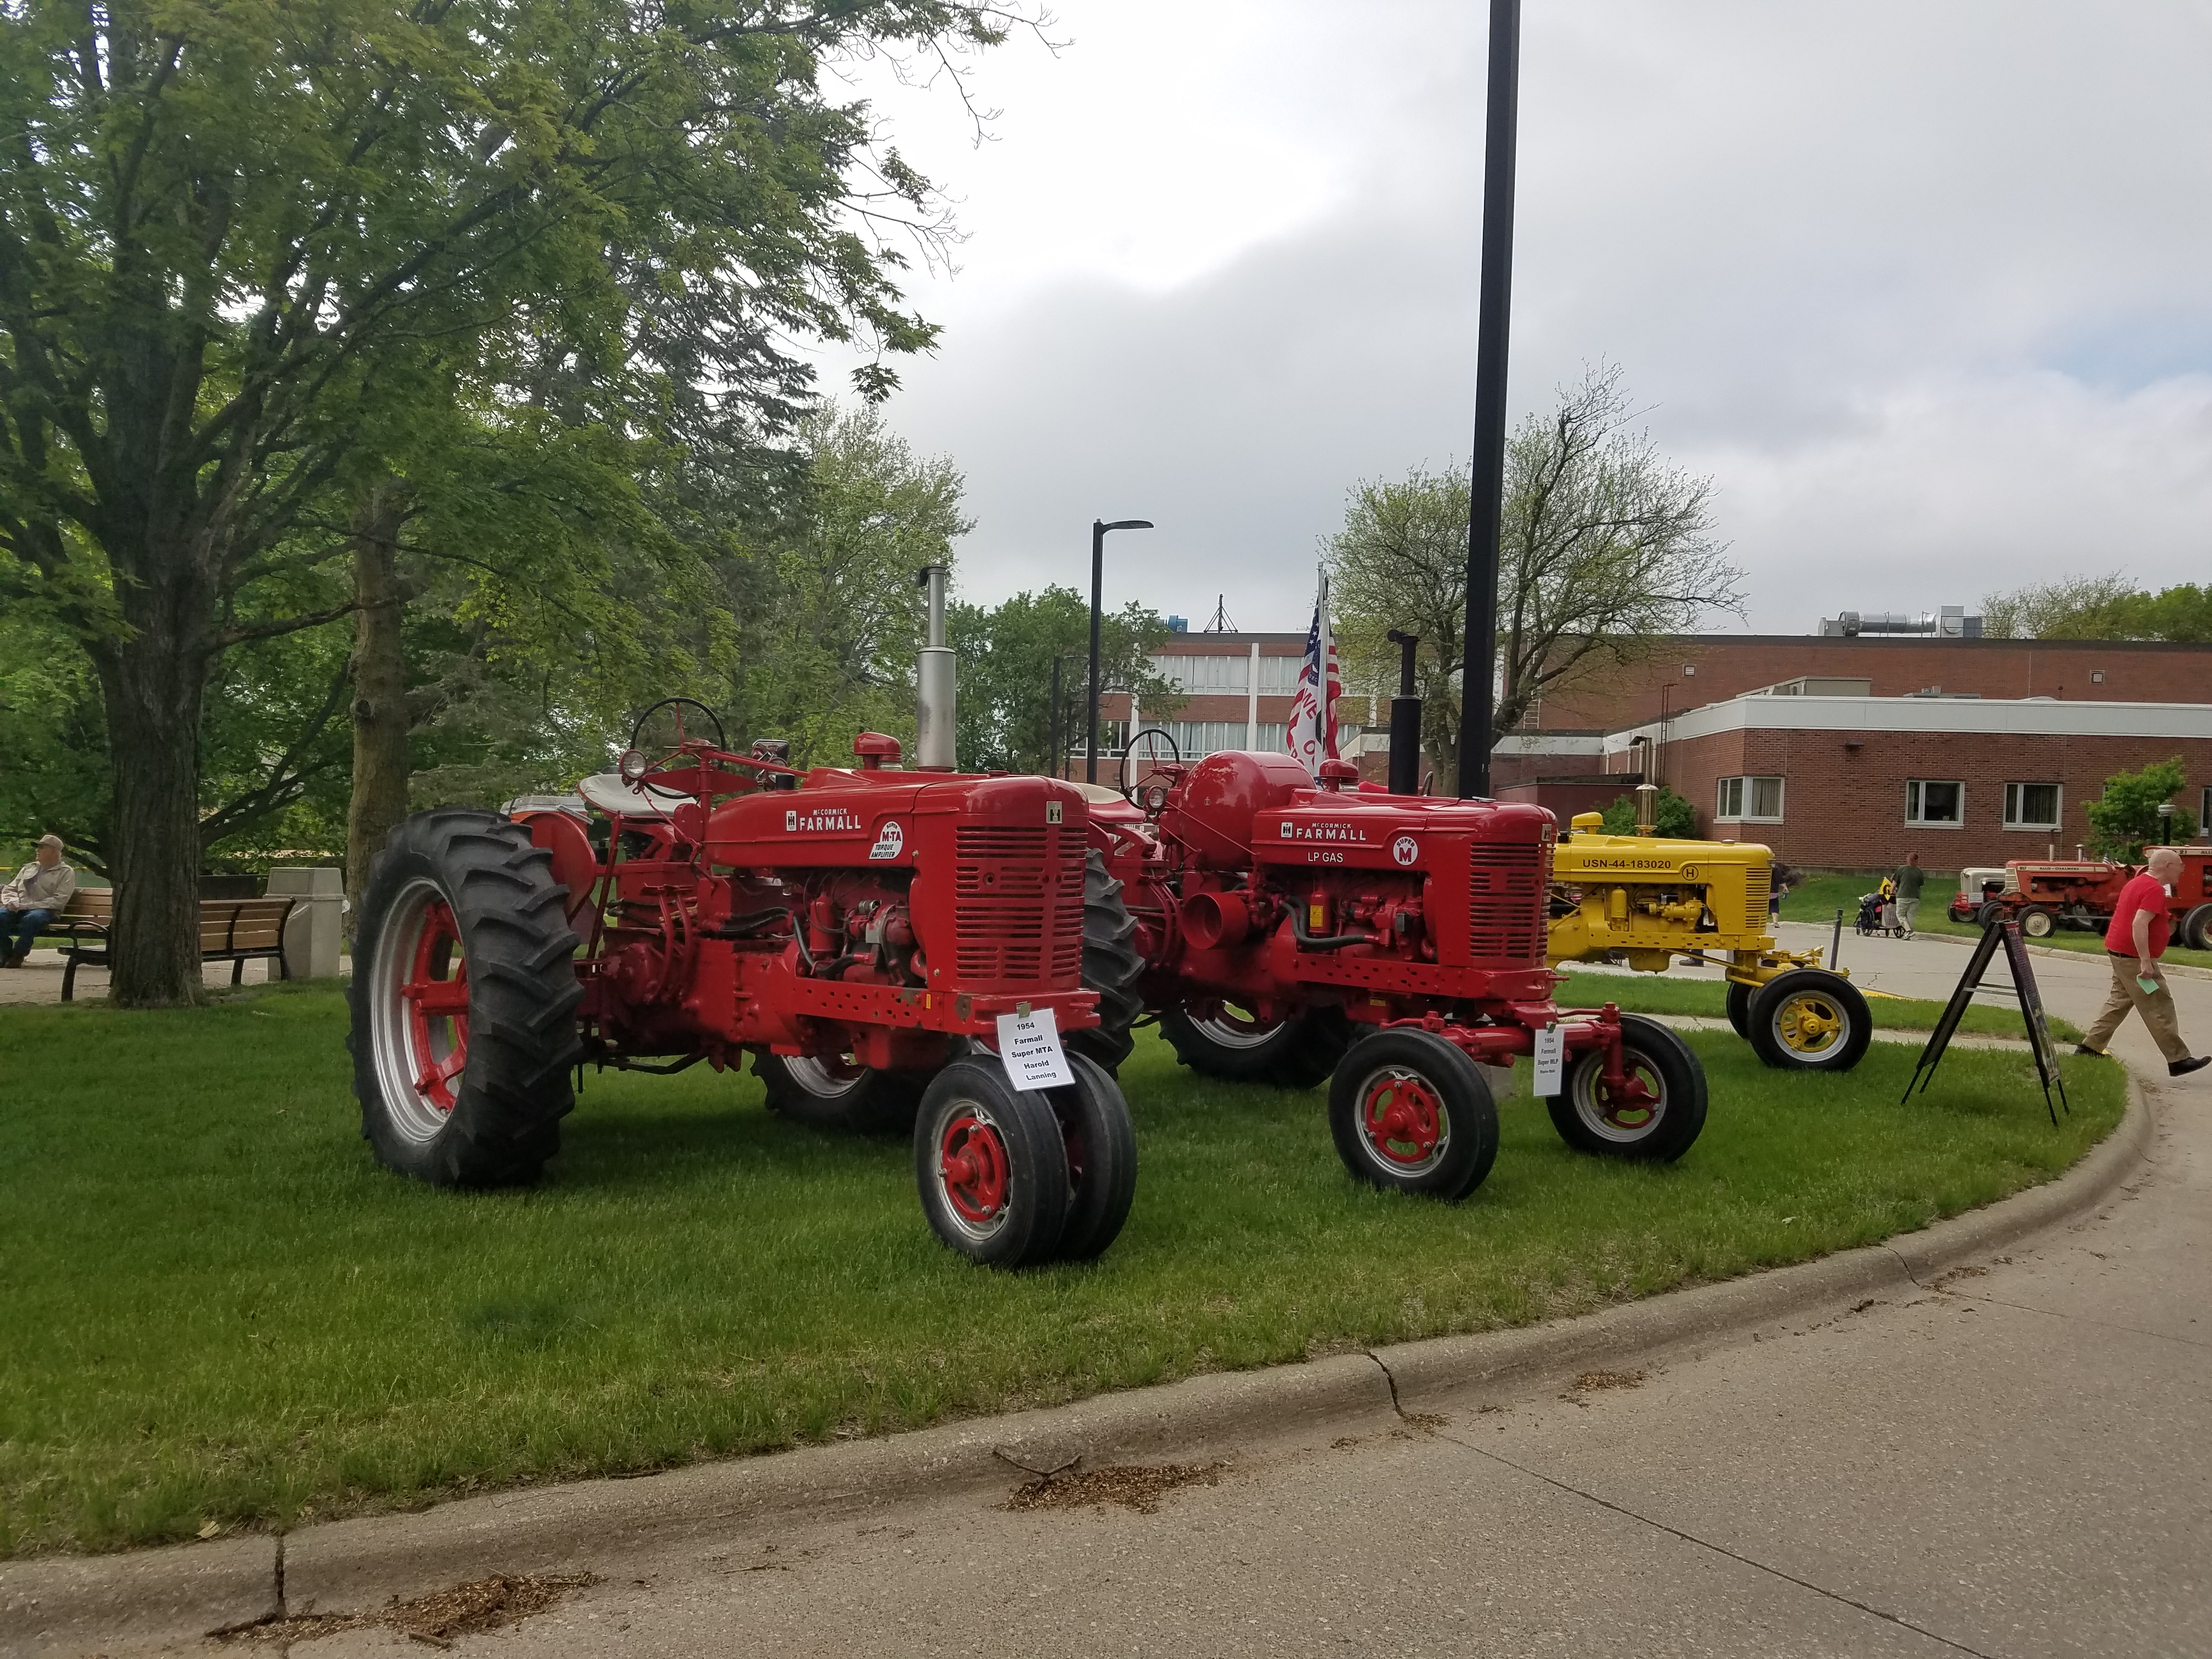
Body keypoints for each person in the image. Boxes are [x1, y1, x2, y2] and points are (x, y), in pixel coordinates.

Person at [2079, 846, 2209, 1077]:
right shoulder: (2153, 888)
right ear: (2167, 866)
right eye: (2180, 866)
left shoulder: (2137, 883)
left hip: (2121, 954)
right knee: (2159, 1004)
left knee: (2118, 1002)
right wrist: (2145, 962)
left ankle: (2089, 1048)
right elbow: (2139, 923)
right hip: (2134, 959)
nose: (2182, 870)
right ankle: (2178, 1059)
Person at [0, 834, 77, 967]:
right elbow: (11, 888)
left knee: (32, 919)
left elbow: (59, 901)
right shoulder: (29, 868)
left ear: (55, 851)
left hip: (46, 911)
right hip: (19, 907)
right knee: (1, 916)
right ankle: (4, 953)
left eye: (42, 848)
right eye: (38, 848)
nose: (38, 850)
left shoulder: (66, 872)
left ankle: (18, 954)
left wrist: (28, 906)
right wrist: (12, 901)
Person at [1892, 851, 1926, 938]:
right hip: (1915, 897)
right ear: (1917, 861)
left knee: (1900, 914)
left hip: (1903, 895)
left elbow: (1895, 883)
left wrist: (1892, 891)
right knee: (1911, 915)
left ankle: (1908, 930)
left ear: (1908, 859)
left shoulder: (1901, 869)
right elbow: (1921, 884)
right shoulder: (1919, 871)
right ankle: (1910, 932)